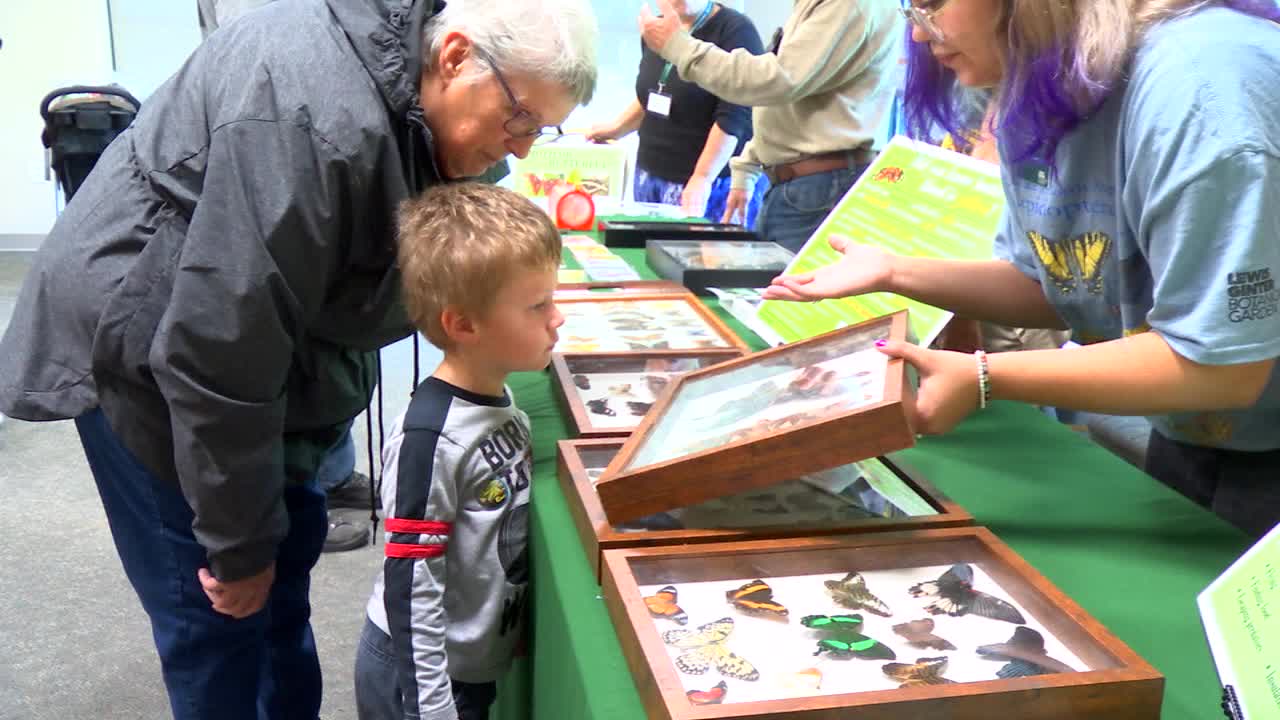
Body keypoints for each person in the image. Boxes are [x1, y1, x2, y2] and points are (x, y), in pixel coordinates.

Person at [0, 0, 597, 717]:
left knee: (279, 595)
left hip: (261, 352)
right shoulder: (312, 116)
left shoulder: (415, 86)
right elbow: (218, 350)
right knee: (218, 612)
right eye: (520, 119)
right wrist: (239, 547)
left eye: (542, 127)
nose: (524, 147)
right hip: (142, 352)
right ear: (455, 56)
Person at [765, 0, 1280, 539]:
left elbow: (1222, 363)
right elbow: (1053, 282)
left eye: (932, 5)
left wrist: (987, 377)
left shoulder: (1198, 91)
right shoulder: (1042, 87)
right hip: (1197, 429)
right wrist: (893, 270)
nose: (919, 35)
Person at [353, 182, 560, 720]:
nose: (556, 319)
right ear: (463, 324)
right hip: (422, 680)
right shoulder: (431, 440)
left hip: (469, 661)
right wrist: (431, 708)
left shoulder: (501, 401)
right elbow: (410, 586)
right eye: (538, 306)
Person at [639, 0, 904, 252]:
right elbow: (790, 100)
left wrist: (678, 47)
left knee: (786, 296)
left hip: (818, 189)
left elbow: (776, 81)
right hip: (794, 184)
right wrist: (749, 165)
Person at [587, 1, 767, 224]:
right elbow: (654, 94)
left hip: (708, 186)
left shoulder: (736, 31)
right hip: (650, 176)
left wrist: (702, 177)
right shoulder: (656, 30)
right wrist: (617, 128)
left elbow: (734, 116)